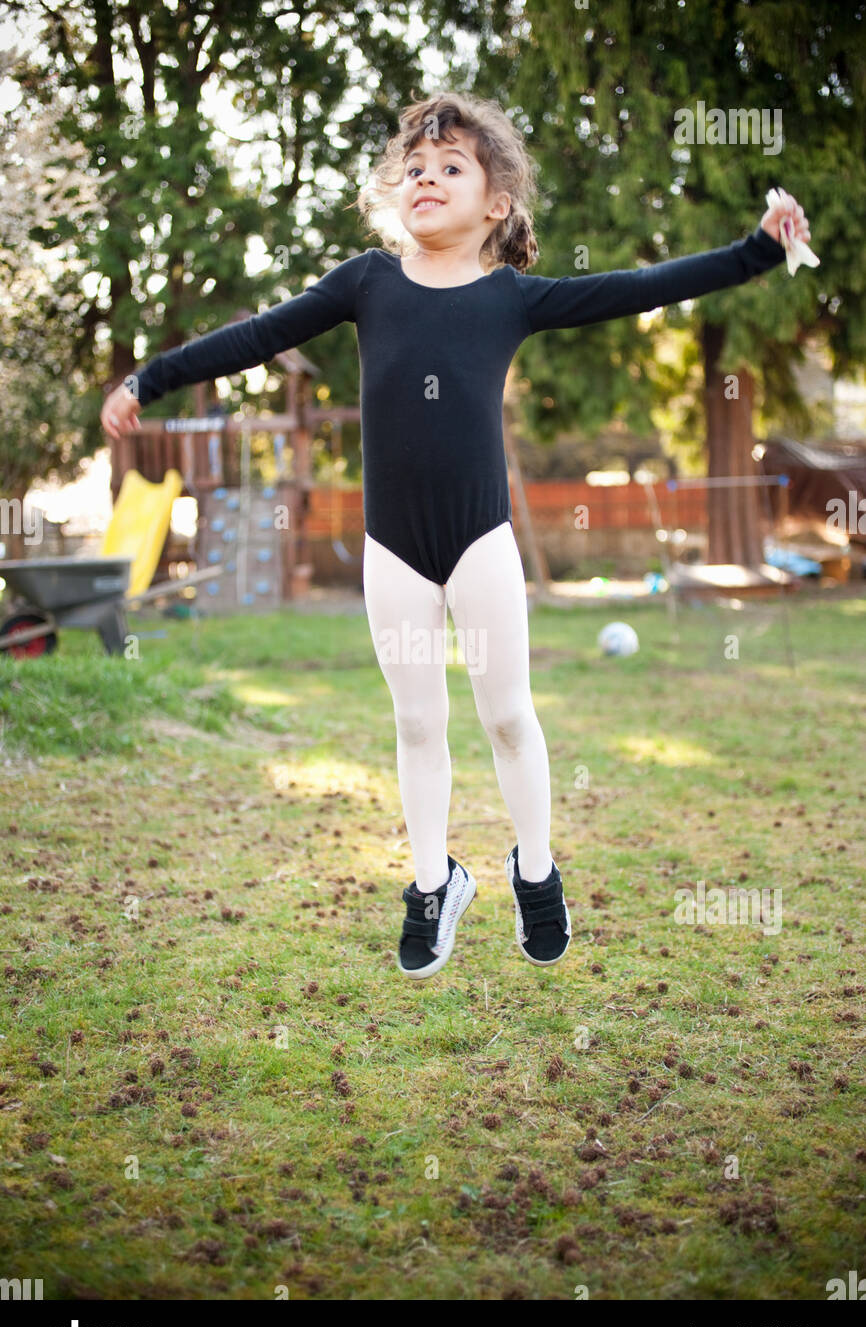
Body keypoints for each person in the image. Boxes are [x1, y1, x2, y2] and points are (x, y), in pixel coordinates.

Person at [101, 91, 810, 981]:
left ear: (496, 202)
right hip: (393, 543)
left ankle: (536, 868)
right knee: (416, 719)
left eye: (450, 167)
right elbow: (256, 335)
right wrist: (150, 377)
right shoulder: (366, 282)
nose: (425, 179)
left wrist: (756, 250)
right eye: (415, 168)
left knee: (507, 715)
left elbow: (637, 288)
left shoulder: (513, 297)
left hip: (479, 538)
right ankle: (434, 883)